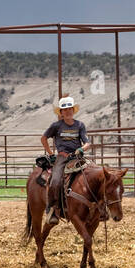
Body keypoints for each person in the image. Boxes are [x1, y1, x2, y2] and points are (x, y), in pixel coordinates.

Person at [40, 96, 90, 224]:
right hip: (62, 157)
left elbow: (87, 143)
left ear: (73, 110)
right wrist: (51, 154)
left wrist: (82, 149)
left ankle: (99, 206)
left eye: (70, 109)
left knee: (95, 175)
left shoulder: (80, 125)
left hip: (78, 156)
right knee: (55, 180)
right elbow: (43, 138)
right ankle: (51, 209)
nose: (68, 111)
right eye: (65, 109)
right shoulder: (56, 126)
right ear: (61, 113)